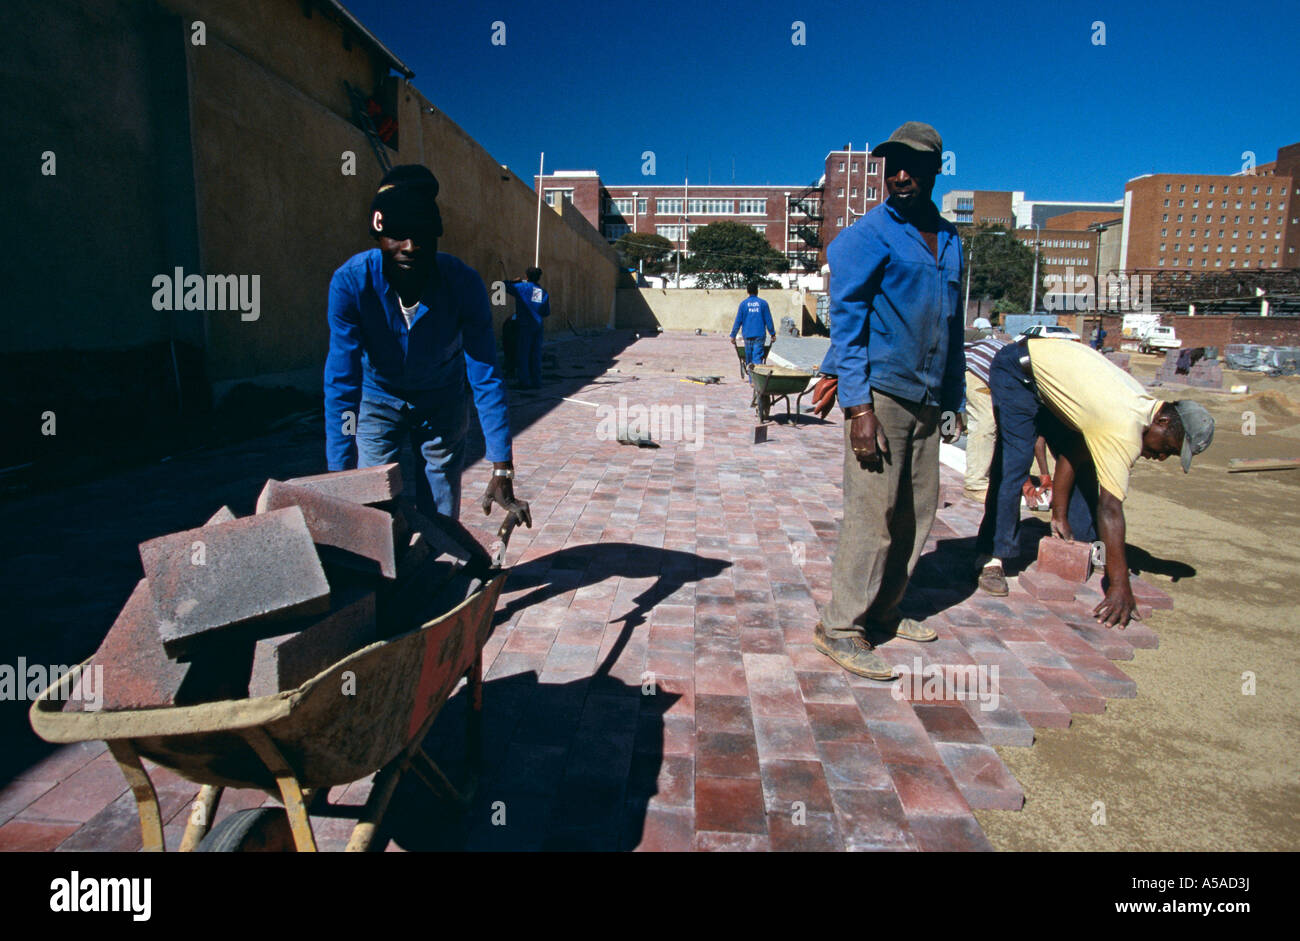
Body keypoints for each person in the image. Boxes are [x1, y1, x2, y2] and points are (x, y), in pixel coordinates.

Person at [812, 121, 966, 681]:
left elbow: (953, 326)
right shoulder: (867, 236)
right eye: (891, 166)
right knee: (871, 515)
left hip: (927, 399)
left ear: (934, 171)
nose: (900, 176)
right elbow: (847, 327)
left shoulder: (950, 240)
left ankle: (884, 610)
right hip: (880, 397)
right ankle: (840, 627)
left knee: (916, 513)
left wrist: (955, 399)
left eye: (913, 167)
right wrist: (858, 408)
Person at [324, 164, 531, 528]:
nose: (410, 247)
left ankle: (437, 572)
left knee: (439, 515)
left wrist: (503, 465)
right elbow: (342, 381)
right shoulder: (351, 283)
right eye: (397, 235)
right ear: (378, 235)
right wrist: (338, 474)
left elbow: (485, 374)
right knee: (372, 507)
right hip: (378, 399)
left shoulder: (463, 284)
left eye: (421, 236)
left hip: (442, 401)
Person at [973, 337, 1213, 626]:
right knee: (1014, 462)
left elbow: (1075, 453)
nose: (1162, 457)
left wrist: (1059, 514)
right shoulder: (1124, 426)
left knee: (1087, 467)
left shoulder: (1139, 410)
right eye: (1169, 448)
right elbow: (1110, 508)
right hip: (1018, 370)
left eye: (1170, 456)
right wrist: (1119, 586)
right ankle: (992, 557)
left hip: (1050, 383)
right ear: (1162, 422)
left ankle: (1082, 544)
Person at [505, 268, 550, 388]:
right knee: (535, 354)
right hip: (537, 326)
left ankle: (524, 382)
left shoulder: (521, 287)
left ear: (526, 276)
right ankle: (536, 381)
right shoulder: (542, 292)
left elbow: (503, 285)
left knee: (523, 354)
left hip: (525, 325)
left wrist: (514, 281)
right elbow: (546, 312)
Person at [730, 282, 775, 383]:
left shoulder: (743, 304)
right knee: (757, 358)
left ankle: (751, 380)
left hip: (747, 335)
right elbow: (768, 320)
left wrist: (733, 335)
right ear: (757, 291)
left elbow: (738, 321)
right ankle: (756, 381)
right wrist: (772, 334)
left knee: (749, 358)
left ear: (747, 291)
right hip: (759, 335)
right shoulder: (763, 304)